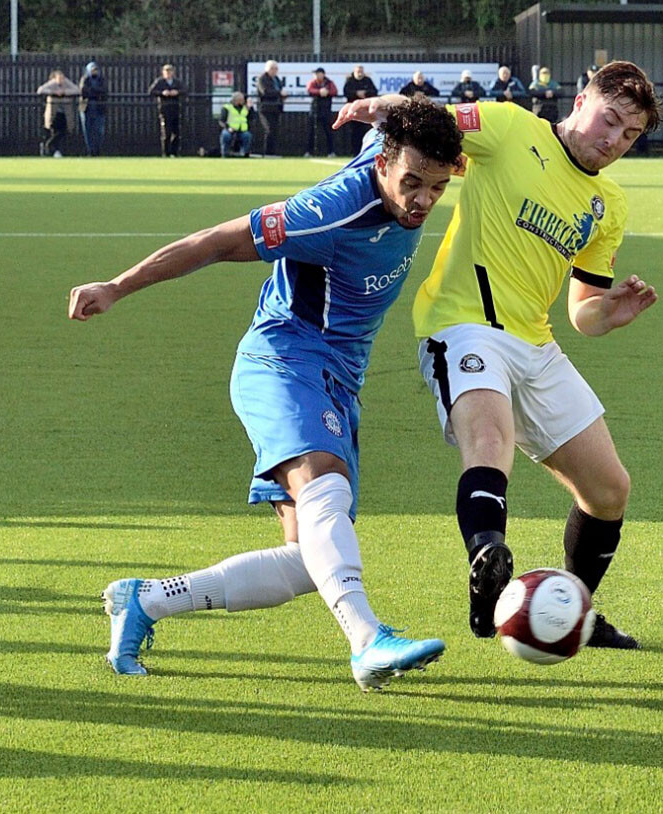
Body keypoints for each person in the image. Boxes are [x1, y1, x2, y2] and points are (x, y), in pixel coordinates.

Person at [68, 98, 462, 690]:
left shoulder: (392, 146)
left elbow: (410, 112)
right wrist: (118, 286)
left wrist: (383, 105)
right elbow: (217, 241)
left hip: (337, 378)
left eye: (436, 187)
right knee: (323, 481)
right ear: (382, 164)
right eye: (411, 183)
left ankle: (145, 601)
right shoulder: (326, 213)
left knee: (309, 560)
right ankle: (366, 639)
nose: (423, 201)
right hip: (284, 359)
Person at [335, 61, 663, 651]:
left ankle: (569, 611)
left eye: (630, 135)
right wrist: (382, 105)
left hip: (535, 342)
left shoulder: (607, 204)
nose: (614, 140)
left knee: (610, 488)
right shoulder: (512, 128)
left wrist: (609, 314)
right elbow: (435, 121)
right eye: (610, 120)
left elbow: (582, 310)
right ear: (581, 99)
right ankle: (488, 558)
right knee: (489, 440)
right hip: (463, 324)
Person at [36, 69, 79, 157]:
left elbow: (77, 90)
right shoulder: (52, 84)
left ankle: (51, 146)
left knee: (63, 131)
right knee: (54, 131)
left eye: (62, 78)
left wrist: (65, 92)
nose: (61, 80)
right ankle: (54, 150)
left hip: (65, 114)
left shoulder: (67, 83)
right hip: (54, 113)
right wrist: (53, 92)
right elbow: (40, 90)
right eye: (59, 78)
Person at [149, 64, 185, 157]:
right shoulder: (160, 82)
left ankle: (175, 152)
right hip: (165, 109)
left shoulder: (177, 82)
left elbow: (185, 91)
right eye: (166, 72)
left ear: (173, 72)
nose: (168, 74)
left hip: (176, 108)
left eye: (170, 72)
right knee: (166, 132)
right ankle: (166, 153)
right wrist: (162, 93)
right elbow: (151, 92)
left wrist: (177, 92)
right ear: (163, 73)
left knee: (177, 132)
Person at [255, 59, 288, 156]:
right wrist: (279, 93)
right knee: (269, 130)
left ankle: (273, 152)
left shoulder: (277, 79)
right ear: (267, 69)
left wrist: (283, 96)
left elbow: (280, 90)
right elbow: (265, 92)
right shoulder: (262, 79)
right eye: (272, 68)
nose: (274, 70)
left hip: (276, 108)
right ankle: (268, 153)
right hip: (266, 108)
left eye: (276, 68)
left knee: (275, 131)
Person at [343, 65, 377, 154]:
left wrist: (365, 93)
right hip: (353, 112)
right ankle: (354, 152)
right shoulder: (349, 81)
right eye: (358, 71)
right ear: (354, 71)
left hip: (365, 112)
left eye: (361, 71)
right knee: (353, 133)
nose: (360, 73)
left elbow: (374, 92)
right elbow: (346, 92)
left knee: (366, 132)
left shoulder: (368, 80)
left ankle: (365, 151)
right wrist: (356, 93)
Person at [304, 67, 338, 156]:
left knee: (328, 132)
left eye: (317, 73)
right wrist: (319, 91)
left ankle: (331, 152)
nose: (315, 75)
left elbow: (334, 91)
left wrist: (327, 92)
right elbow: (309, 89)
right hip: (314, 110)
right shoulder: (312, 82)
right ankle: (309, 152)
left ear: (322, 74)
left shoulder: (329, 83)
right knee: (311, 132)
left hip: (326, 110)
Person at [79, 61, 108, 157]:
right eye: (92, 70)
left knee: (99, 130)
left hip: (99, 107)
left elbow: (104, 91)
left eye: (95, 69)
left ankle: (98, 150)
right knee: (87, 130)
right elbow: (84, 91)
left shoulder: (102, 80)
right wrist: (95, 92)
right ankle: (90, 151)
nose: (94, 72)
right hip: (87, 107)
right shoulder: (85, 79)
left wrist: (93, 91)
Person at [218, 91, 255, 156]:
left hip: (242, 130)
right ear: (237, 100)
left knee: (247, 136)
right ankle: (225, 154)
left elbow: (252, 117)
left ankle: (245, 154)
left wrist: (250, 108)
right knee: (225, 136)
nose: (243, 101)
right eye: (241, 99)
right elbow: (221, 121)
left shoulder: (245, 108)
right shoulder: (227, 107)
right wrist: (228, 128)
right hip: (230, 129)